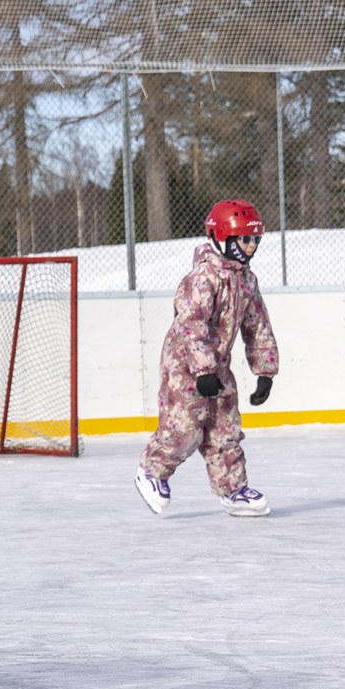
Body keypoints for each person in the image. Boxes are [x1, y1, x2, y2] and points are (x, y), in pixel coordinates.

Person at [135, 198, 280, 518]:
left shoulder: (246, 280)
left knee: (225, 427)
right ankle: (152, 471)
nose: (252, 247)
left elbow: (257, 324)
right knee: (185, 426)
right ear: (223, 238)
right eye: (245, 239)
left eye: (256, 239)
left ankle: (233, 488)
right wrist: (202, 369)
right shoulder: (203, 278)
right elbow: (191, 325)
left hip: (219, 363)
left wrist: (265, 370)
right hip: (185, 363)